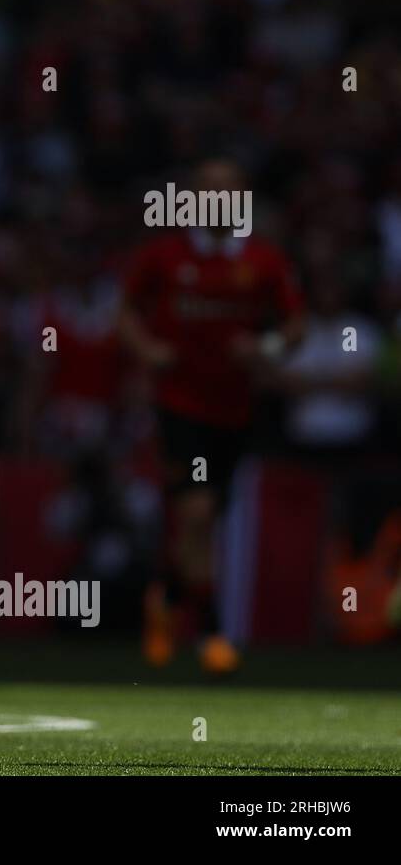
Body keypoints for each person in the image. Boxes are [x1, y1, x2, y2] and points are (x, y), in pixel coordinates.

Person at [119, 156, 304, 672]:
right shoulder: (165, 255)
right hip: (180, 406)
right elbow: (127, 313)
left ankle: (167, 598)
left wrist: (264, 345)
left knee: (205, 523)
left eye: (228, 190)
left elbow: (295, 326)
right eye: (208, 189)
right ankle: (213, 633)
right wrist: (149, 350)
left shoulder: (263, 261)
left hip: (237, 409)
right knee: (197, 516)